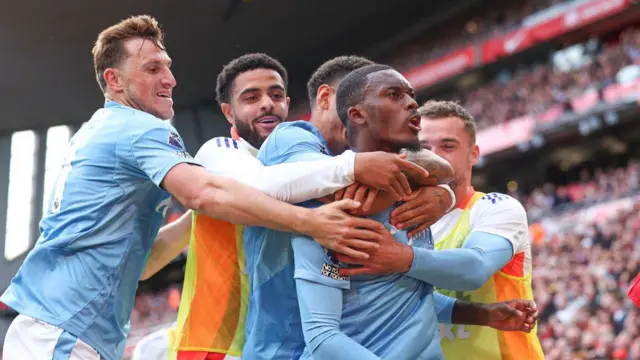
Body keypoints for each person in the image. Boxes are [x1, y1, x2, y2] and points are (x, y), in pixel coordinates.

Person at [0, 18, 412, 360]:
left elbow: (147, 260)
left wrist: (197, 218)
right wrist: (313, 220)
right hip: (67, 330)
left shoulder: (102, 130)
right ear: (115, 79)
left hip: (61, 328)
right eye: (153, 69)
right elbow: (205, 192)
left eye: (168, 66)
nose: (171, 79)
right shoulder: (142, 129)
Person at [139, 54, 432, 360]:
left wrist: (439, 191)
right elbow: (262, 185)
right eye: (251, 97)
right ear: (228, 112)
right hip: (221, 346)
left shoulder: (309, 162)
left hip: (290, 341)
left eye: (276, 95)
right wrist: (351, 170)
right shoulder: (221, 152)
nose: (267, 104)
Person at [285, 64, 537, 359]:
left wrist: (479, 314)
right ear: (356, 115)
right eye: (394, 94)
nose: (412, 103)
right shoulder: (329, 206)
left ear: (474, 153)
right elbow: (322, 335)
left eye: (411, 95)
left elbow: (408, 294)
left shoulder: (423, 201)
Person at [415, 100, 544, 359]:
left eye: (447, 146)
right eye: (424, 148)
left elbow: (473, 269)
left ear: (474, 154)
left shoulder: (496, 207)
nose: (434, 155)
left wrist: (394, 259)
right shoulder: (403, 222)